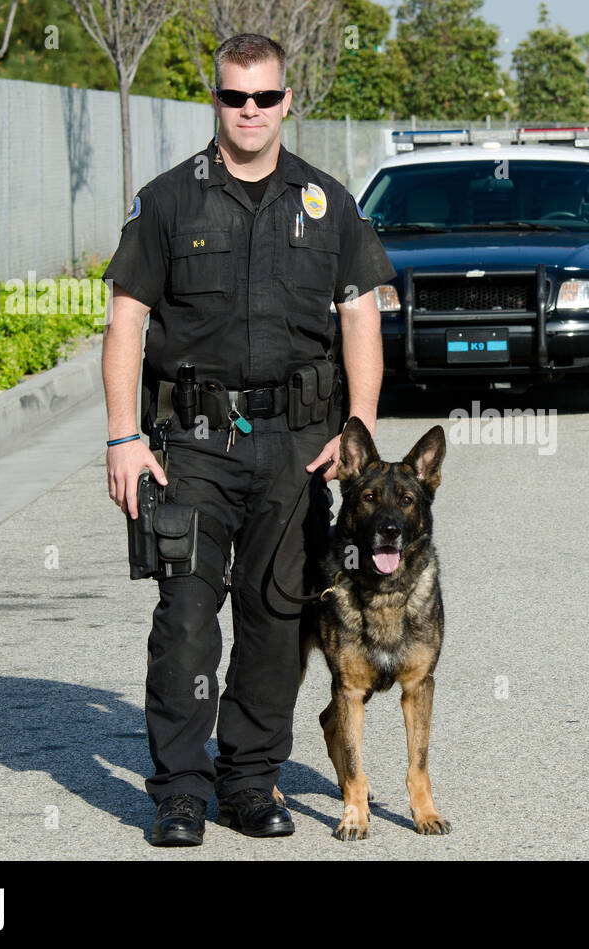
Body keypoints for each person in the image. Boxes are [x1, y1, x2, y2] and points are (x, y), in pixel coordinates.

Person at [100, 33, 393, 847]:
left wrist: (358, 432)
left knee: (274, 620)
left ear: (287, 101)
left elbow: (360, 316)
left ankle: (251, 780)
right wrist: (125, 435)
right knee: (187, 618)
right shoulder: (167, 201)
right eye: (236, 97)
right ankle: (181, 791)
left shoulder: (328, 204)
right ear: (217, 101)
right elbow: (126, 323)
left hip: (299, 448)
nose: (251, 112)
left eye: (266, 97)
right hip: (193, 444)